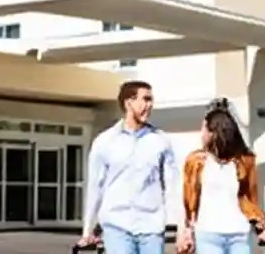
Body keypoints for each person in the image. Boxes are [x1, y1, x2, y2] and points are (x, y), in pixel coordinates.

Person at [79, 80, 192, 254]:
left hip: (152, 228)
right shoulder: (104, 142)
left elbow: (173, 189)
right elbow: (95, 187)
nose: (150, 105)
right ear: (128, 102)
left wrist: (181, 229)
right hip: (116, 226)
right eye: (145, 99)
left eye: (151, 100)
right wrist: (88, 229)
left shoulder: (160, 141)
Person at [181, 99, 265, 254]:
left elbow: (250, 199)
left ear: (215, 132)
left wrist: (262, 228)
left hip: (239, 234)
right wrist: (187, 231)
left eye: (204, 128)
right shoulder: (195, 161)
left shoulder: (244, 161)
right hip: (208, 233)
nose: (201, 132)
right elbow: (188, 200)